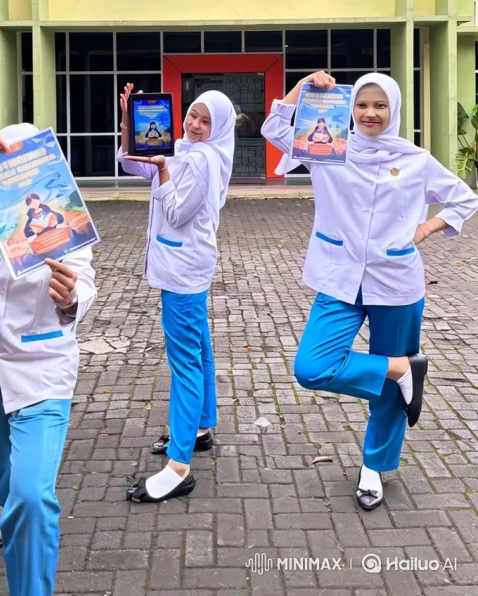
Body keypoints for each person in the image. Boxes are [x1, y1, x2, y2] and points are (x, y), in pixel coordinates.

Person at [261, 72, 478, 512]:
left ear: (394, 110)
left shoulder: (414, 159)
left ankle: (374, 467)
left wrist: (425, 227)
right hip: (339, 277)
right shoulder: (328, 148)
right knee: (313, 366)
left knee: (388, 385)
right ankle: (403, 370)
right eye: (362, 105)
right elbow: (273, 127)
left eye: (380, 105)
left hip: (396, 282)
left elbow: (464, 199)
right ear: (350, 109)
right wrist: (304, 86)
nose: (370, 113)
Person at [0, 123, 97, 595]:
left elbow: (84, 278)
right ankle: (23, 521)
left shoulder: (66, 222)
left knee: (31, 496)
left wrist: (71, 297)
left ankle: (28, 536)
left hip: (40, 369)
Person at [118, 82, 236, 503]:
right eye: (192, 115)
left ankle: (178, 466)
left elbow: (176, 210)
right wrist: (129, 124)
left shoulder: (202, 159)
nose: (196, 124)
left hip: (184, 270)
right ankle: (202, 426)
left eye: (206, 120)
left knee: (183, 361)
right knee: (199, 348)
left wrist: (164, 169)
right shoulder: (183, 146)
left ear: (220, 126)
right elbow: (135, 166)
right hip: (185, 266)